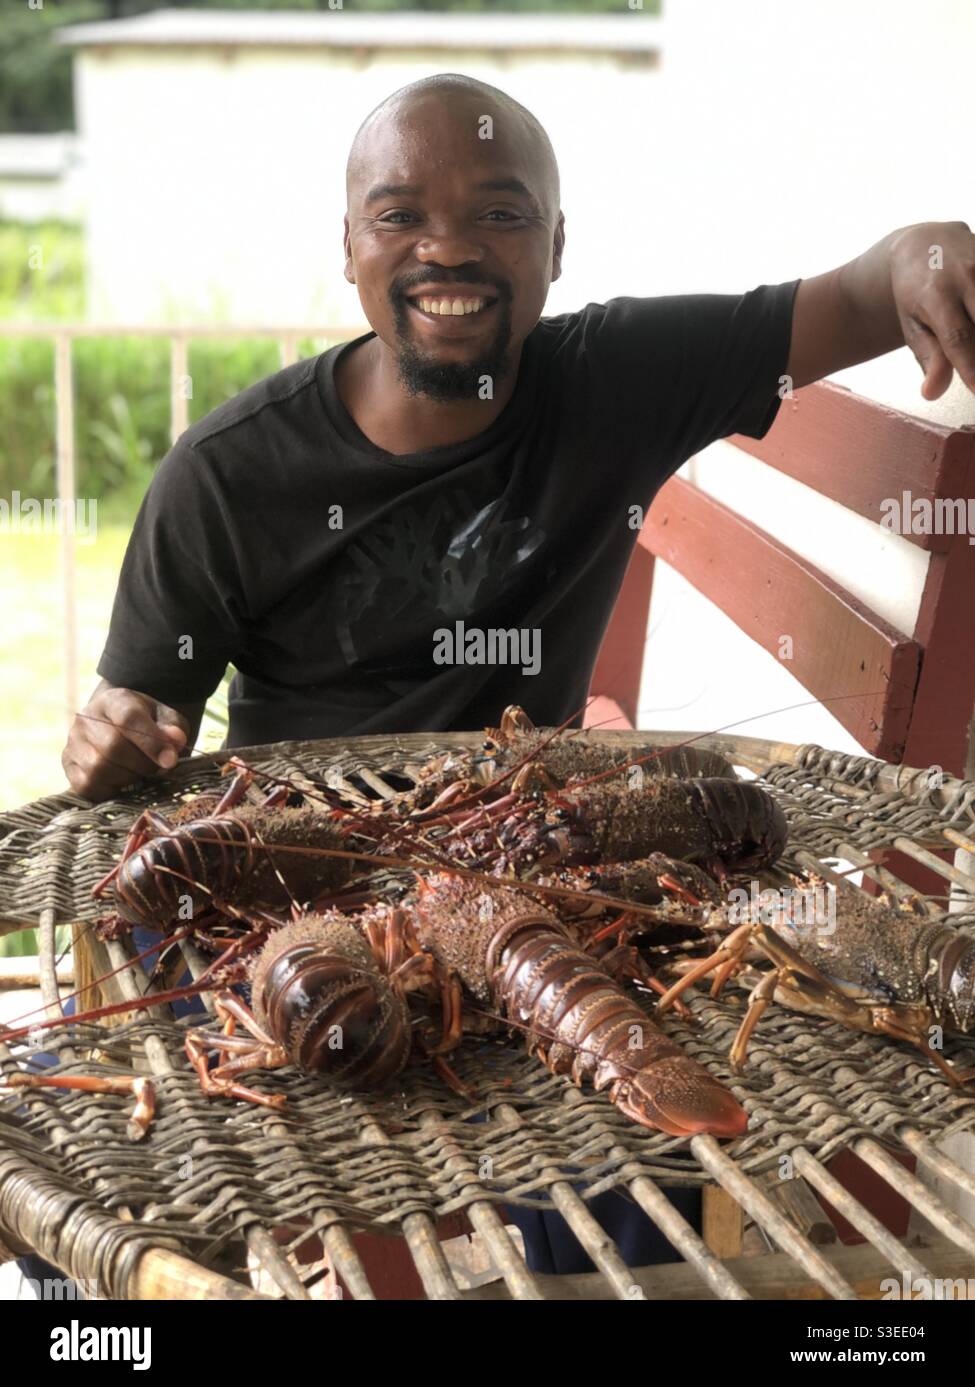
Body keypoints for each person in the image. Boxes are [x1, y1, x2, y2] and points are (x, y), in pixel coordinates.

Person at [59, 74, 975, 1280]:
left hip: (533, 856)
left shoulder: (616, 376)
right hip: (300, 893)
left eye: (498, 212)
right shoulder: (226, 479)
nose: (450, 248)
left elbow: (866, 288)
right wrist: (121, 736)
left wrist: (930, 254)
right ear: (347, 247)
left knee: (629, 1167)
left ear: (556, 244)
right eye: (401, 215)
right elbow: (144, 724)